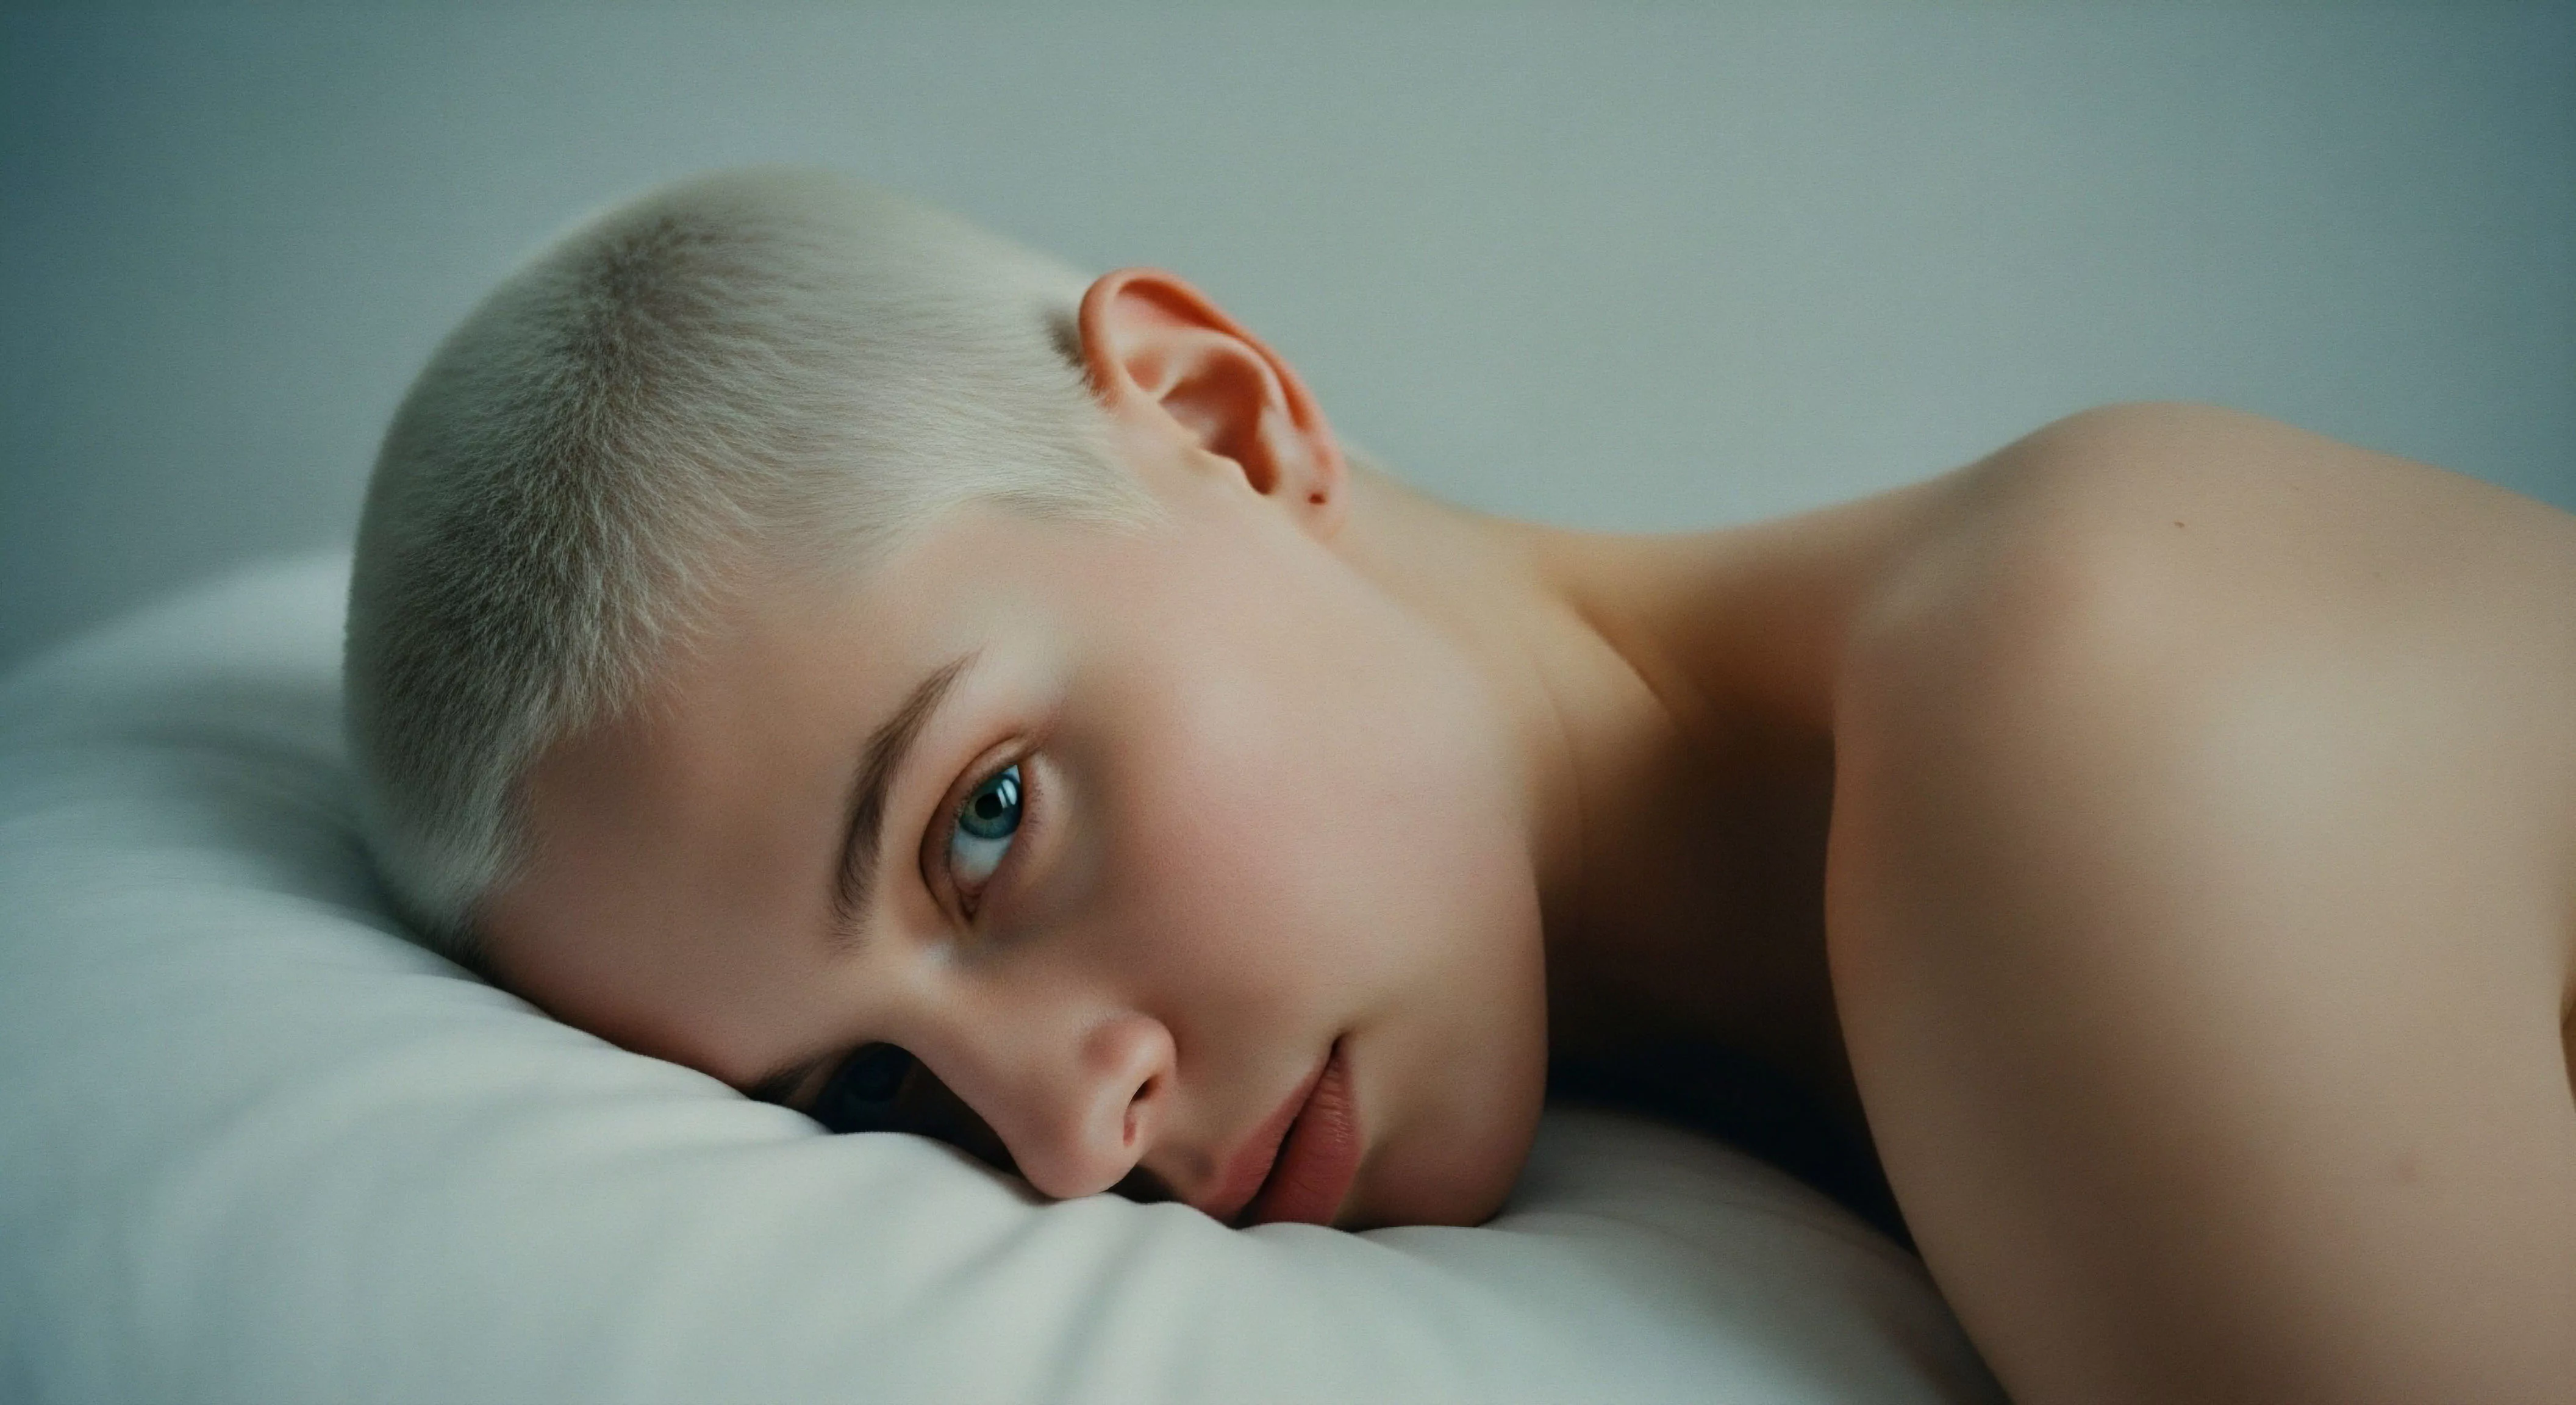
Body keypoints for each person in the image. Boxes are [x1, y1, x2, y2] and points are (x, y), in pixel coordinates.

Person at [344, 167, 2576, 1403]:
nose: (1065, 1142)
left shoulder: (2074, 714)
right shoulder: (1736, 1047)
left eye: (984, 818)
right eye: (867, 1092)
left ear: (1219, 419)